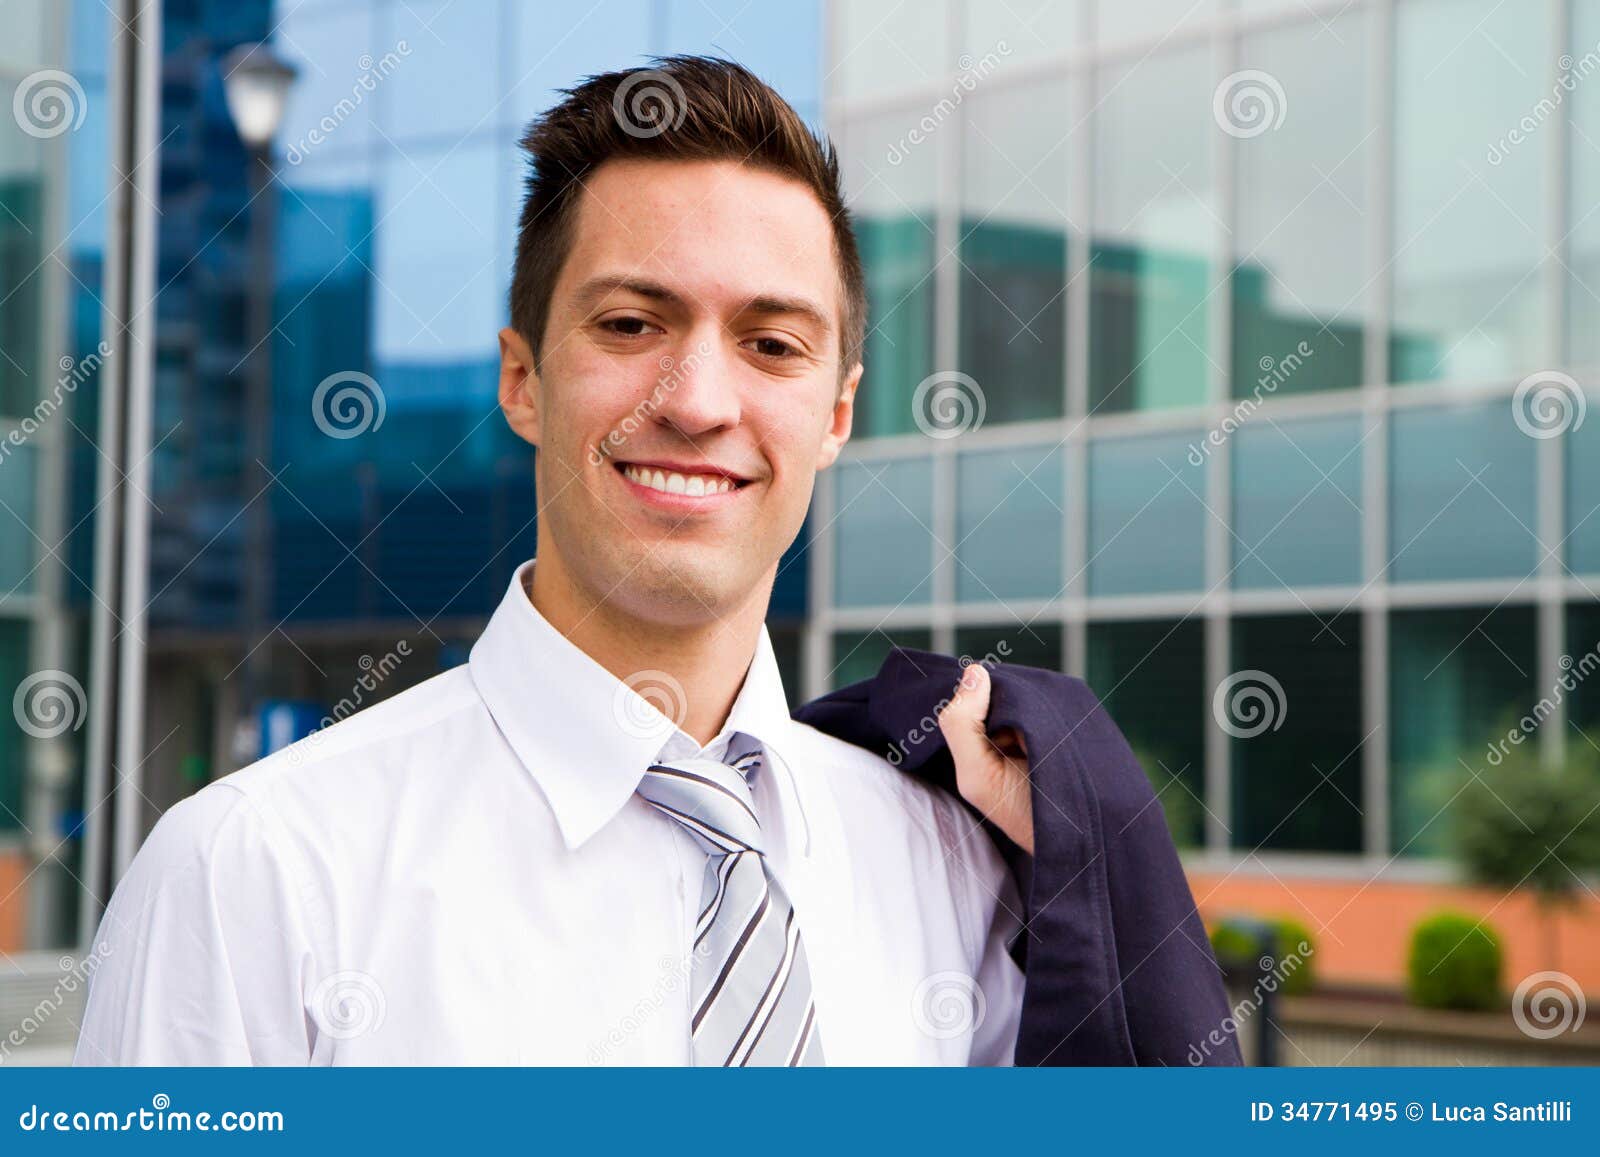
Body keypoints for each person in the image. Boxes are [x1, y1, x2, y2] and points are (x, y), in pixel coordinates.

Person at [74, 55, 1035, 1067]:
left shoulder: (953, 870)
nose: (697, 401)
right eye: (630, 324)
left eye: (772, 344)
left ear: (836, 413)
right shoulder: (255, 872)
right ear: (522, 379)